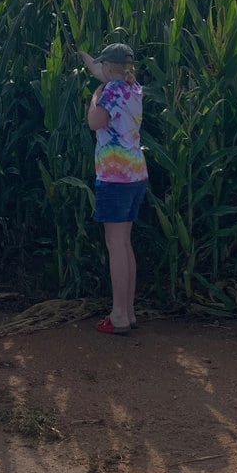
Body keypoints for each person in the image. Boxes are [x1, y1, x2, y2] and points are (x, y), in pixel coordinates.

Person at [81, 42, 148, 336]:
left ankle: (119, 314)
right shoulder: (134, 89)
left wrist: (96, 93)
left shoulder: (109, 91)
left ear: (109, 68)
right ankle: (128, 311)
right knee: (124, 243)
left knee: (115, 244)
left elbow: (94, 122)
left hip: (114, 175)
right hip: (135, 174)